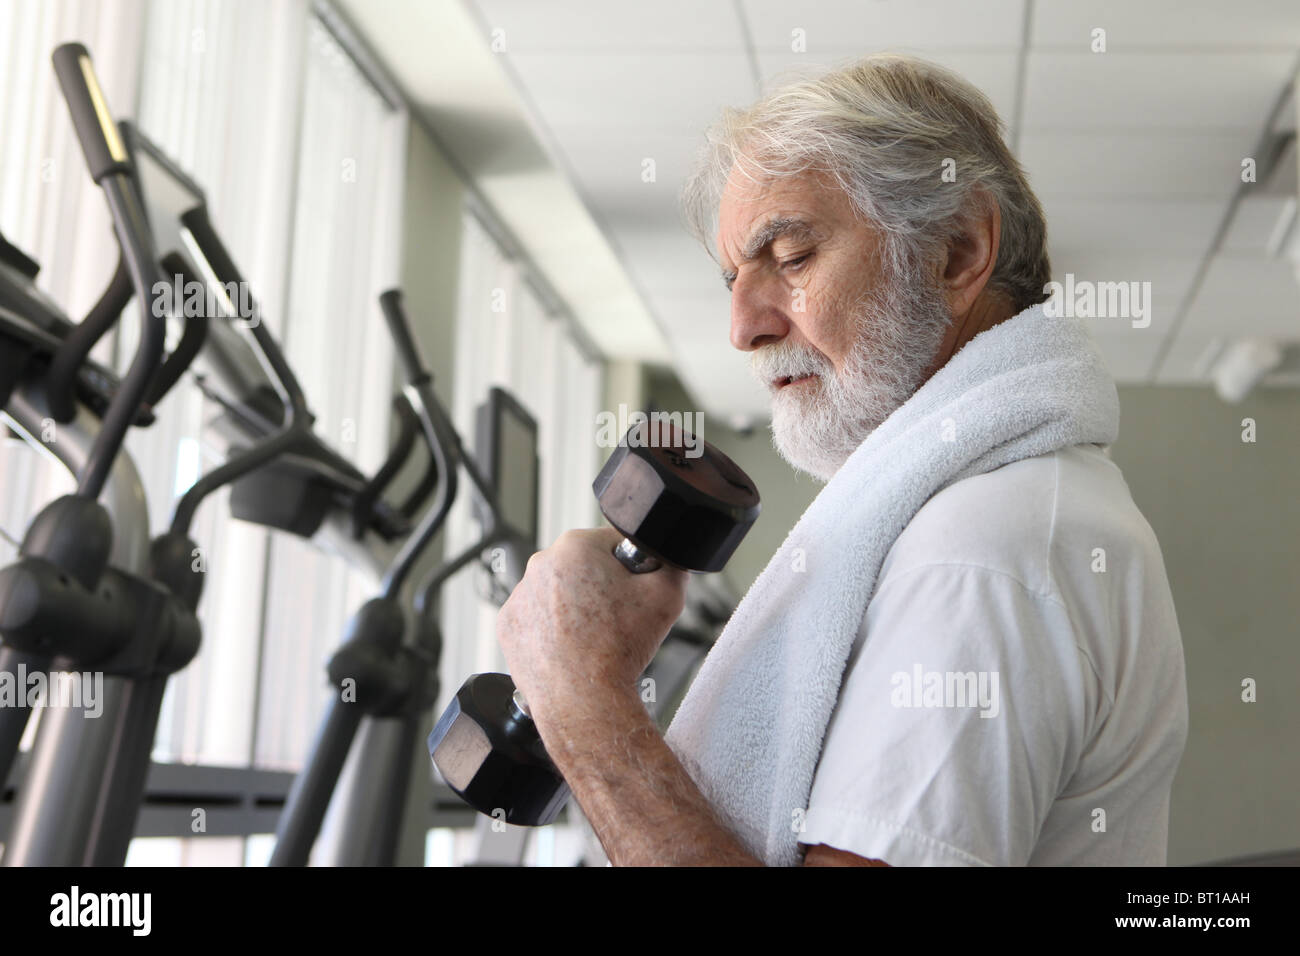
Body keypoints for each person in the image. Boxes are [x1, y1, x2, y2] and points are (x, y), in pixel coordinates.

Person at [494, 54, 1188, 866]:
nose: (743, 326)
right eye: (733, 279)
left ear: (958, 251)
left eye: (789, 258)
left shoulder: (983, 550)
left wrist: (583, 703)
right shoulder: (999, 516)